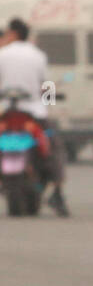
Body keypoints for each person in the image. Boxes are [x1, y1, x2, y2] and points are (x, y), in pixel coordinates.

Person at [0, 18, 68, 215]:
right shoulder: (38, 56)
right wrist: (49, 105)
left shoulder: (2, 54)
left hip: (5, 112)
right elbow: (47, 84)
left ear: (13, 34)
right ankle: (57, 191)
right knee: (54, 147)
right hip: (34, 113)